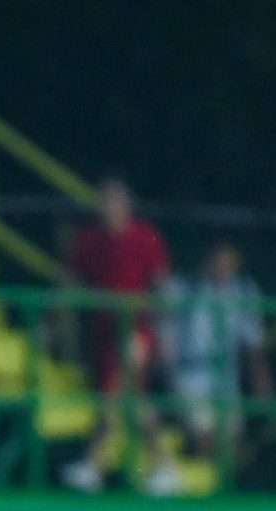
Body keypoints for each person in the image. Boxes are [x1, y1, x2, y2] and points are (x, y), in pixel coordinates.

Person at [63, 178, 170, 493]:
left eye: (113, 202)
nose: (107, 208)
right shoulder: (90, 240)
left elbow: (160, 285)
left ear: (126, 206)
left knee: (115, 393)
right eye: (103, 201)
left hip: (135, 329)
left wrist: (163, 331)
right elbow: (70, 279)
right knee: (134, 400)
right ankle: (163, 465)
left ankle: (94, 464)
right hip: (104, 332)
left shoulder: (145, 237)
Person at [158, 242, 272, 463]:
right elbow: (166, 332)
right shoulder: (182, 288)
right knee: (202, 436)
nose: (222, 270)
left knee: (233, 438)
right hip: (189, 372)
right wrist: (168, 373)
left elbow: (252, 339)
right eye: (218, 263)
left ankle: (225, 487)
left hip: (225, 374)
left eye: (228, 265)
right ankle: (201, 480)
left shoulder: (243, 291)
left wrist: (261, 378)